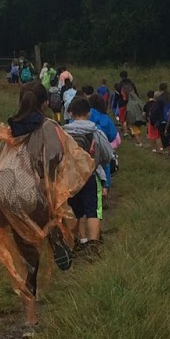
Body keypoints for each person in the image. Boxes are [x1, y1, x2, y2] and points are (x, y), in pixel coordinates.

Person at [0, 84, 95, 336]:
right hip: (31, 195)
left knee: (25, 258)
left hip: (3, 196)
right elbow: (55, 160)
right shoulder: (48, 127)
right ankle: (54, 233)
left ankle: (30, 320)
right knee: (55, 210)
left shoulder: (10, 128)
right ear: (45, 103)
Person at [62, 95, 113, 247]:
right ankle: (93, 246)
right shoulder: (95, 132)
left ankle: (76, 242)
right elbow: (107, 154)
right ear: (88, 113)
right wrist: (97, 165)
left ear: (70, 113)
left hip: (70, 177)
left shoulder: (63, 133)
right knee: (93, 211)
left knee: (73, 210)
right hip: (91, 175)